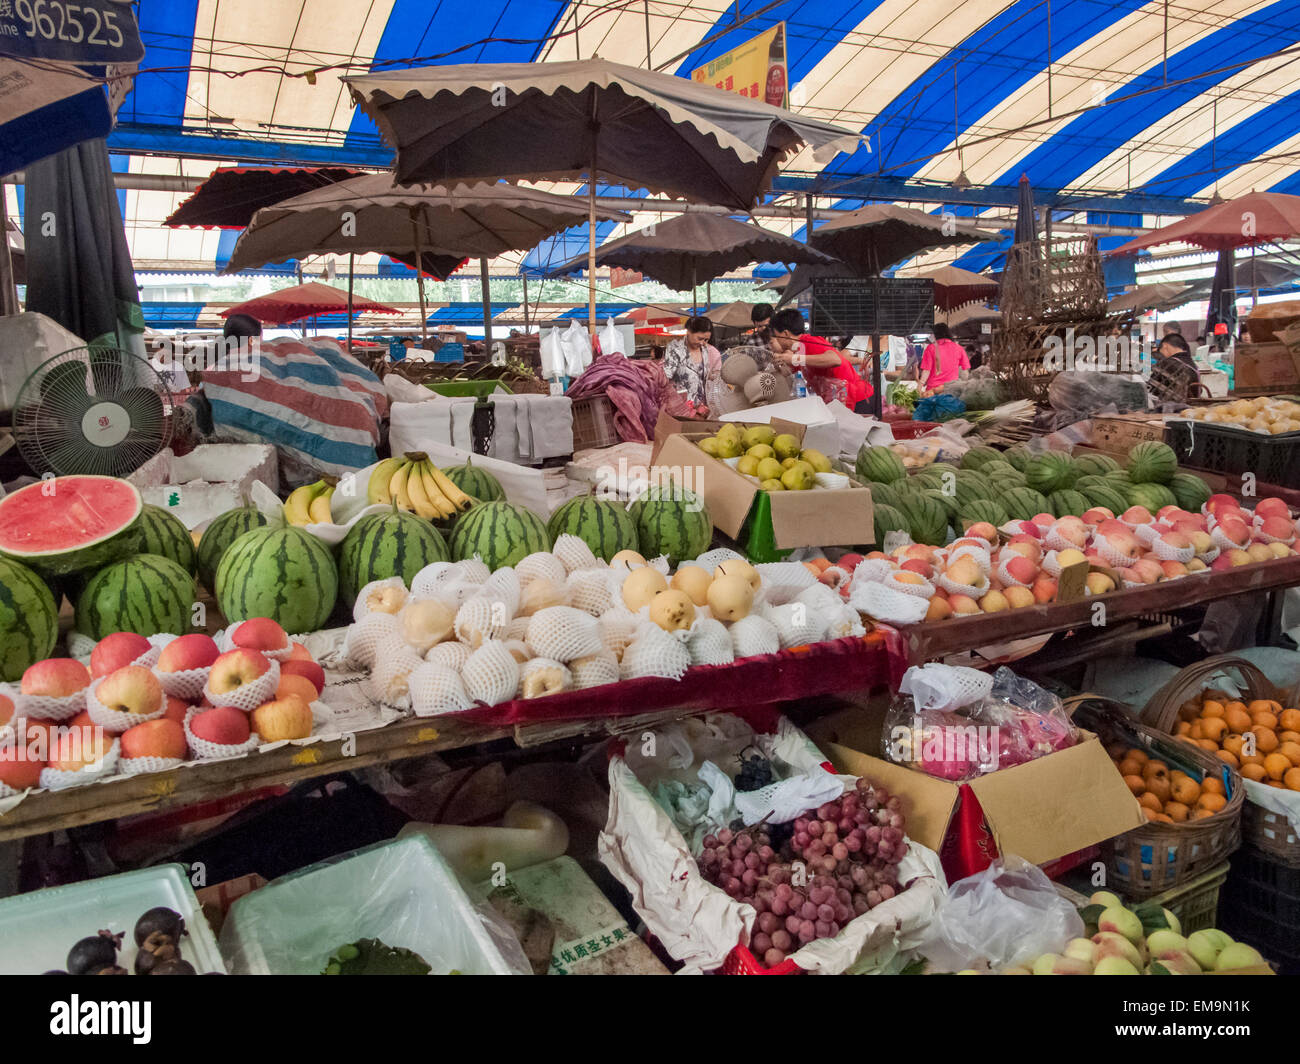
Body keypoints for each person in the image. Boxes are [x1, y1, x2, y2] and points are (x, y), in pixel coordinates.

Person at [768, 307, 871, 410]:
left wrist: (794, 358)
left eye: (777, 337)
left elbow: (835, 359)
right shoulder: (799, 349)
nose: (778, 341)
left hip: (859, 398)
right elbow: (788, 371)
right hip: (843, 400)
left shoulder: (808, 341)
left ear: (786, 334)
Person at [663, 315, 724, 415]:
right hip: (679, 409)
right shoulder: (675, 350)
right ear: (689, 332)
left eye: (706, 340)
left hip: (703, 410)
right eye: (699, 338)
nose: (702, 343)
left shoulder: (710, 352)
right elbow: (665, 380)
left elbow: (715, 381)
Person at [918, 323, 970, 394]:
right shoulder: (959, 349)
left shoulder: (931, 348)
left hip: (933, 392)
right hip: (952, 390)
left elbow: (926, 371)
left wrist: (919, 388)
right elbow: (965, 372)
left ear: (936, 334)